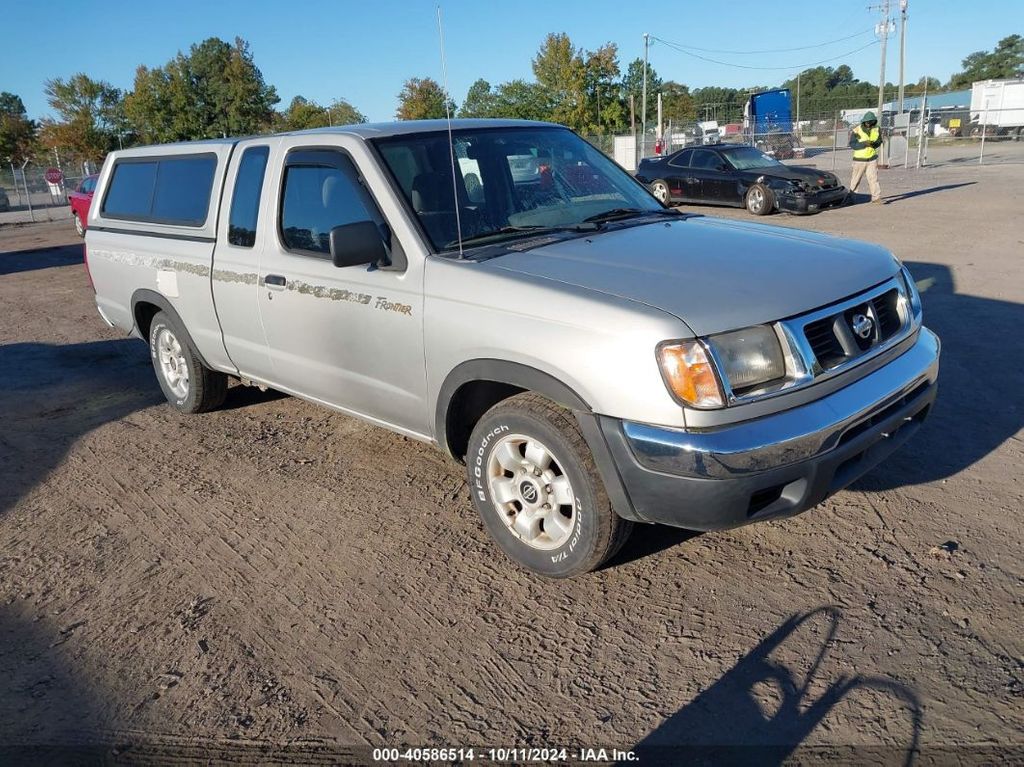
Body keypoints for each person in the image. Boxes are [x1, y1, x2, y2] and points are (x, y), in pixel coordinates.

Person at [848, 111, 883, 204]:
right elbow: (852, 144)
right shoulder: (856, 130)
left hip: (872, 159)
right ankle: (852, 198)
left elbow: (879, 141)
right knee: (855, 180)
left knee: (873, 179)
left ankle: (876, 198)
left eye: (871, 122)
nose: (869, 124)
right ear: (864, 122)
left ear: (874, 122)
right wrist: (864, 144)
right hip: (859, 160)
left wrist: (873, 144)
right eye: (867, 122)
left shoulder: (877, 129)